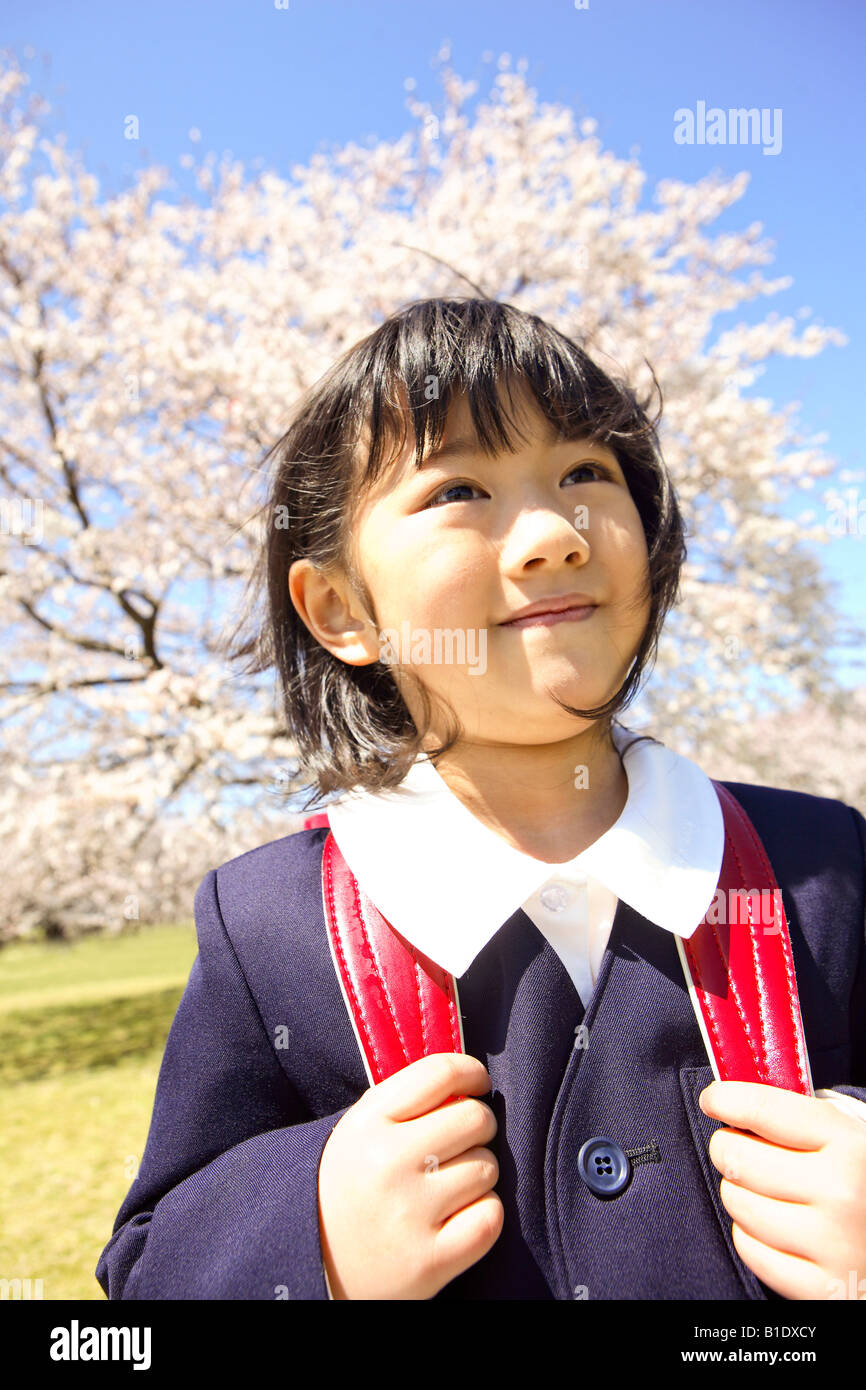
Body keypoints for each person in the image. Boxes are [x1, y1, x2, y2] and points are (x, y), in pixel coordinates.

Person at [96, 297, 866, 1301]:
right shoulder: (269, 927)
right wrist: (313, 1236)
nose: (551, 534)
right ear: (338, 608)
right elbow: (149, 1270)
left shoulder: (820, 865)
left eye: (585, 473)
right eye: (459, 486)